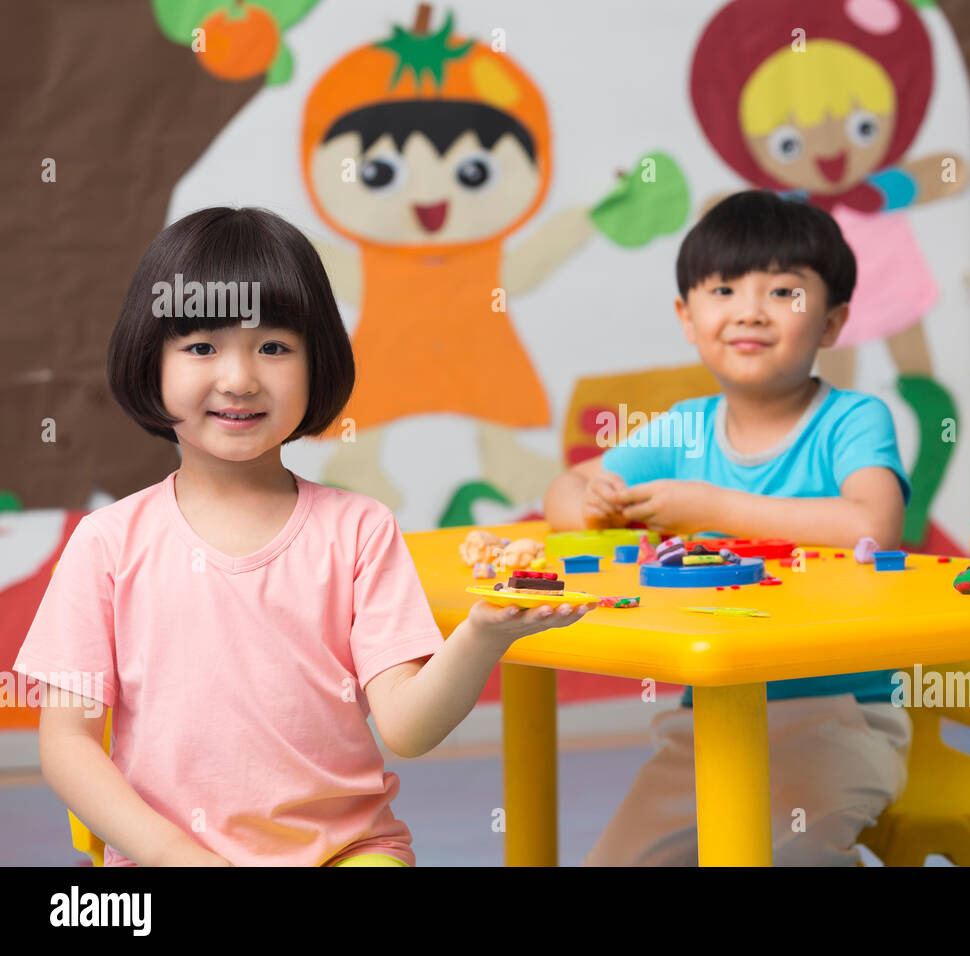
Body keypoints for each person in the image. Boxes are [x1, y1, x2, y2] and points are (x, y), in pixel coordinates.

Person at [15, 207, 592, 867]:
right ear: (151, 362)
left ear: (318, 363)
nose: (239, 378)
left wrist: (482, 636)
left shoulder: (360, 531)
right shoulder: (106, 543)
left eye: (274, 347)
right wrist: (175, 854)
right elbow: (67, 744)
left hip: (348, 851)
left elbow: (407, 728)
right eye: (202, 346)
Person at [544, 189, 913, 865]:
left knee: (788, 854)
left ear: (832, 322)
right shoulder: (685, 426)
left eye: (782, 292)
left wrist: (710, 509)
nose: (749, 310)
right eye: (723, 289)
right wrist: (594, 502)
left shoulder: (852, 420)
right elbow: (562, 492)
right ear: (688, 317)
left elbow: (872, 526)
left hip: (842, 717)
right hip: (706, 726)